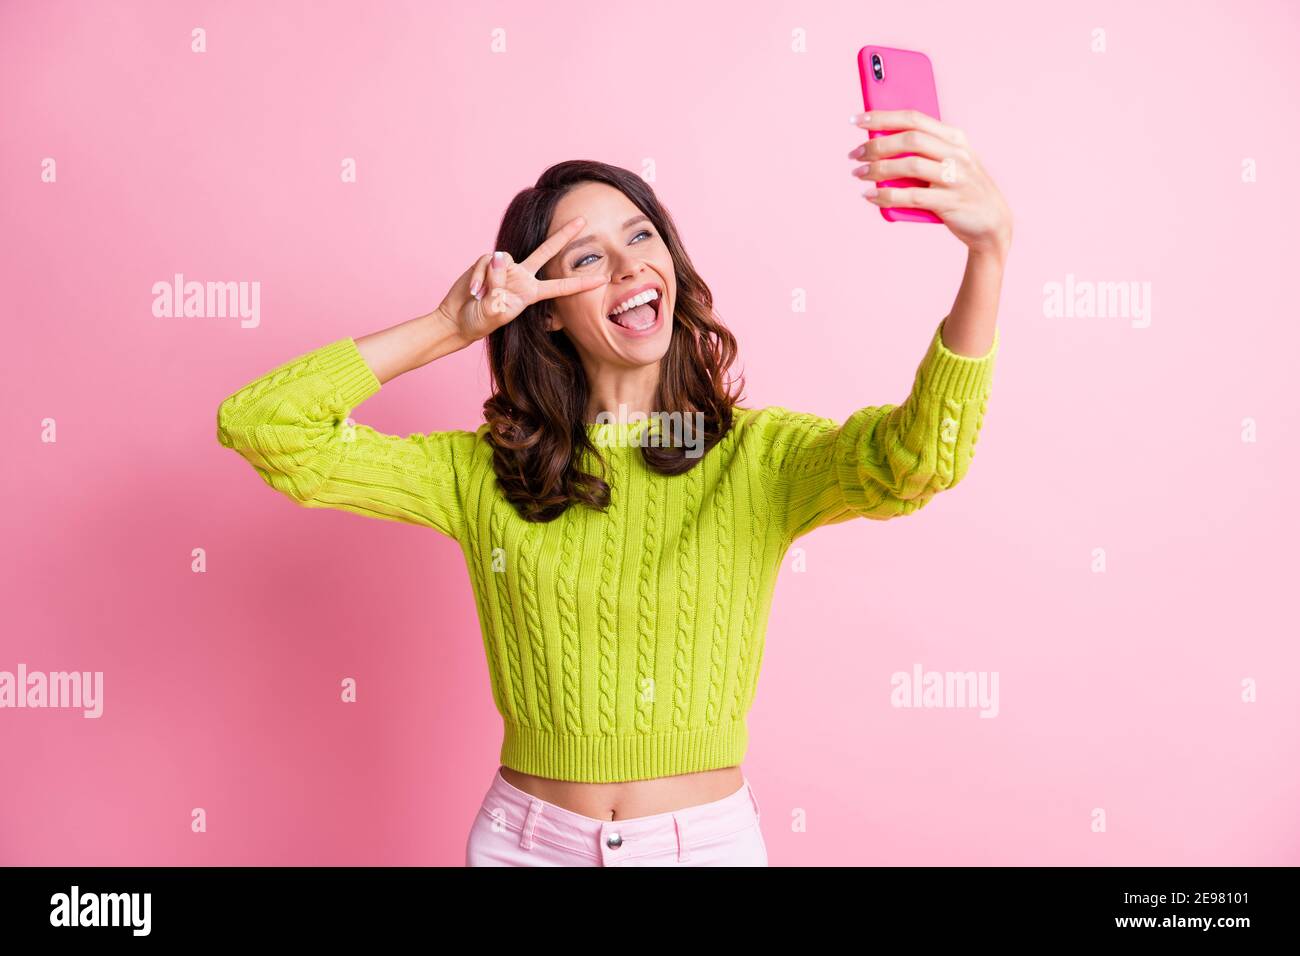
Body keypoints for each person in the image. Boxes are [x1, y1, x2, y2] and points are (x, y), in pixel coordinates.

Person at [215, 109, 1011, 866]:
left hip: (704, 846)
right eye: (587, 257)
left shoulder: (758, 458)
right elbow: (265, 426)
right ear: (548, 310)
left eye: (641, 236)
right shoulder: (481, 471)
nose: (630, 265)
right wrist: (448, 328)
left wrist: (989, 254)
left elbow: (919, 461)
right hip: (525, 842)